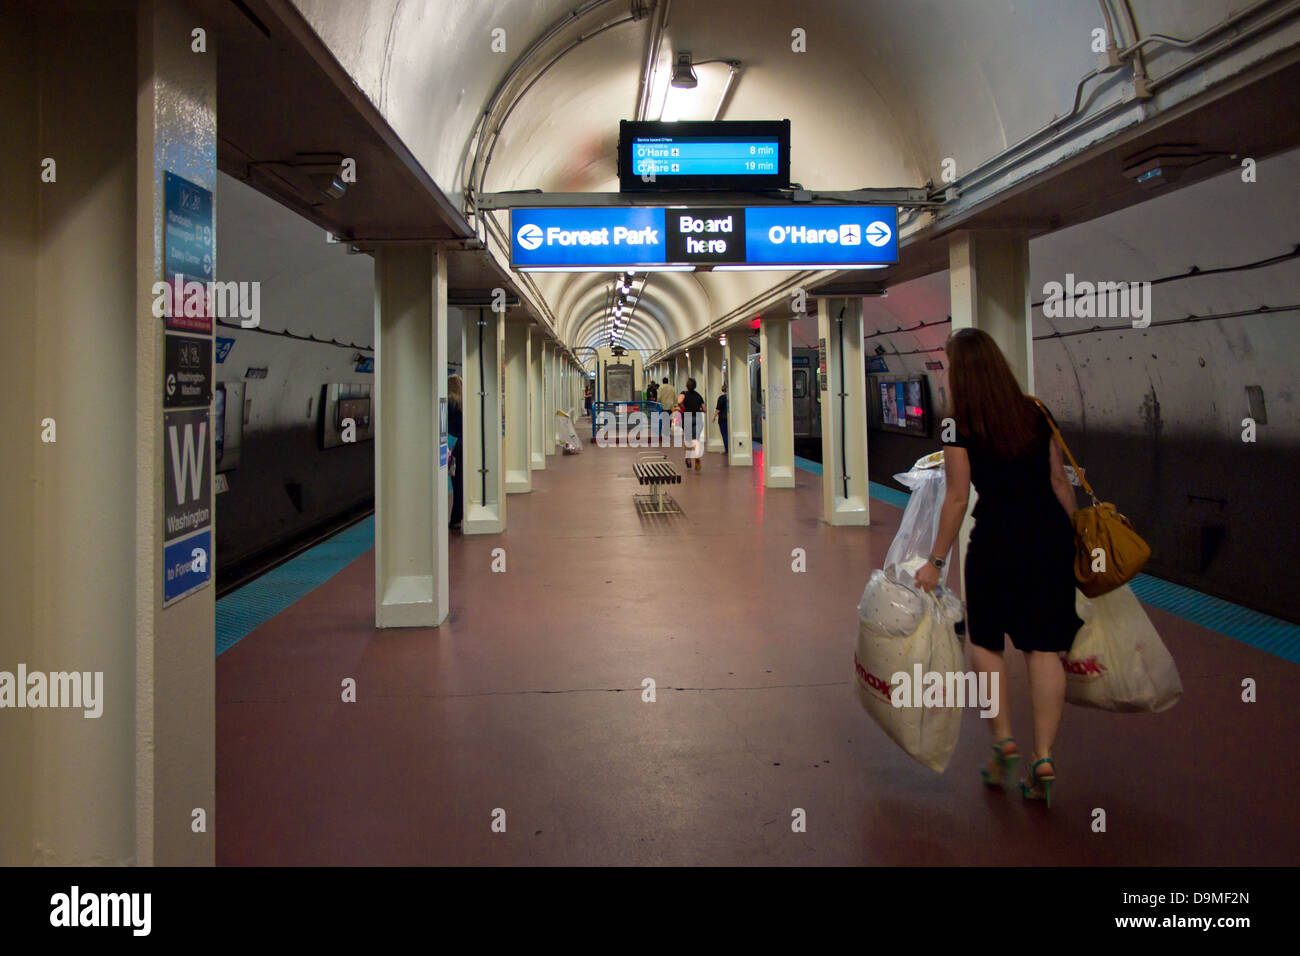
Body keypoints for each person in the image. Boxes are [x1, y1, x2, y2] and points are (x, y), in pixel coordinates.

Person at [914, 328, 1081, 809]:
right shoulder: (1035, 410)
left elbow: (958, 496)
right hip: (1049, 539)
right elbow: (1058, 479)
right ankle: (1043, 758)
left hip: (995, 541)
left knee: (986, 643)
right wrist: (1076, 537)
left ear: (961, 371)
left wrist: (936, 560)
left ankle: (1003, 740)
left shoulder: (957, 423)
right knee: (1044, 647)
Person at [678, 377, 706, 471]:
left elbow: (679, 402)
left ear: (687, 386)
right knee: (695, 439)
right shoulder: (698, 395)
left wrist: (682, 406)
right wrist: (700, 409)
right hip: (697, 418)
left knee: (687, 440)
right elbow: (704, 409)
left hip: (687, 417)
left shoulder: (684, 394)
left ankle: (688, 459)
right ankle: (697, 456)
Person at [448, 374, 464, 531]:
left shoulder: (448, 402)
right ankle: (460, 515)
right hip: (465, 444)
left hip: (453, 446)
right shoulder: (464, 403)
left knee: (456, 482)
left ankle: (455, 518)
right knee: (463, 482)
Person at [656, 377, 676, 445]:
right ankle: (668, 431)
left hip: (663, 405)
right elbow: (674, 396)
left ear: (662, 381)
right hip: (670, 406)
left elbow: (659, 397)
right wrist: (674, 404)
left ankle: (665, 432)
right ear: (668, 381)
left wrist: (657, 403)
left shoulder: (660, 388)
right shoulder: (672, 388)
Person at [713, 382, 729, 456]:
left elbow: (718, 409)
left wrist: (714, 417)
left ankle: (727, 450)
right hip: (729, 419)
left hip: (722, 419)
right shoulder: (731, 397)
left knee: (724, 435)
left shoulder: (721, 398)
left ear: (723, 390)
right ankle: (730, 450)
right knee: (728, 434)